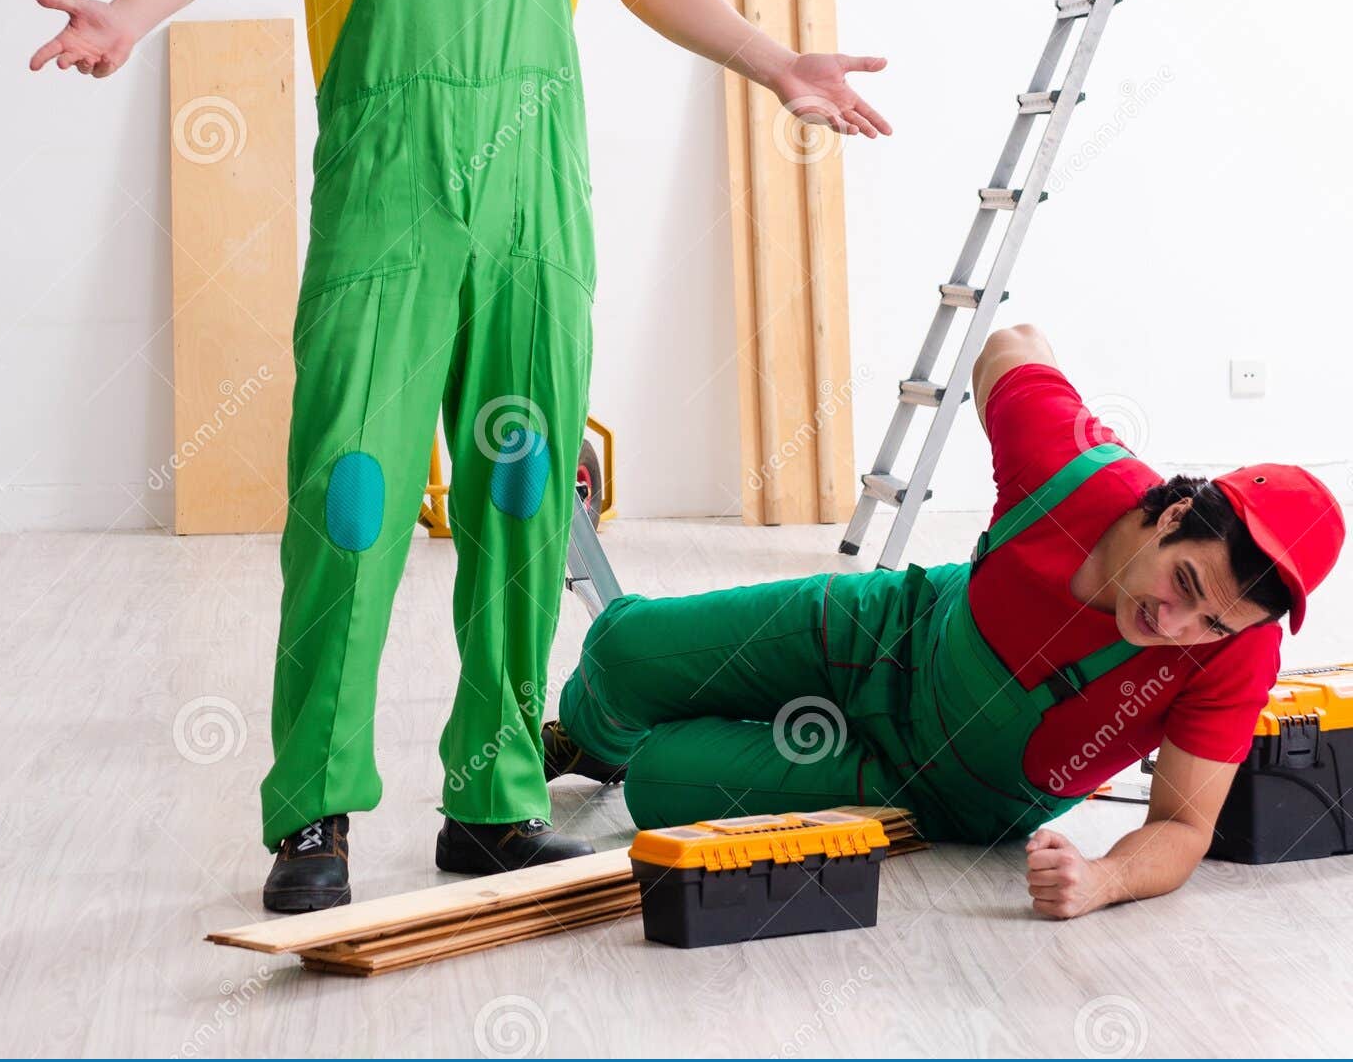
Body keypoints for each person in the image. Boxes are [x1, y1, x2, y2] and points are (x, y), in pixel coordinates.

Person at [27, 0, 891, 911]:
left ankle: (492, 801)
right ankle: (313, 812)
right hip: (388, 211)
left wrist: (774, 60)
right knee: (353, 500)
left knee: (522, 500)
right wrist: (133, 13)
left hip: (534, 214)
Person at [543, 322, 1345, 920]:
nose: (1177, 626)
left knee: (660, 782)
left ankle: (632, 752)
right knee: (619, 648)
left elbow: (1181, 825)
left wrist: (1102, 880)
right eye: (1184, 583)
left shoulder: (1237, 654)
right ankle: (589, 740)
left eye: (1211, 622)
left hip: (920, 786)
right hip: (881, 632)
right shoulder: (1069, 470)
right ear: (1173, 512)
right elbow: (1011, 341)